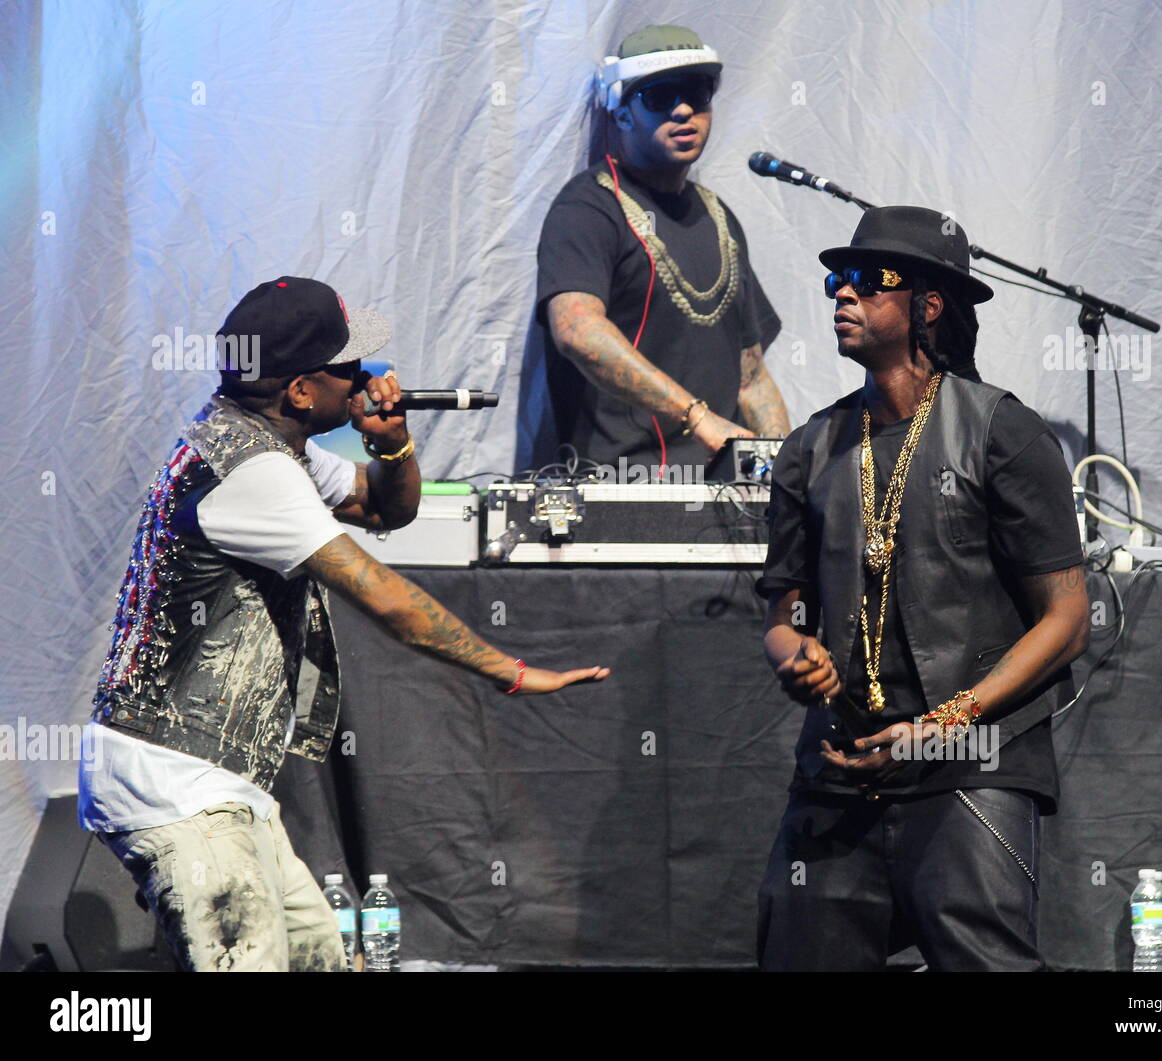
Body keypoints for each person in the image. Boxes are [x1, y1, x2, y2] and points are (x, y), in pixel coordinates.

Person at [79, 277, 609, 971]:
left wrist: (392, 447)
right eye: (348, 368)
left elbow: (385, 509)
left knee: (319, 959)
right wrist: (511, 671)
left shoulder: (265, 440)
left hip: (216, 781)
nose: (367, 378)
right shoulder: (253, 472)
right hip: (175, 783)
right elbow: (390, 601)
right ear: (301, 391)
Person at [754, 207, 1090, 971]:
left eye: (869, 281)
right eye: (836, 279)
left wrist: (944, 723)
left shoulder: (1002, 431)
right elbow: (782, 614)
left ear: (929, 304)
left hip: (969, 761)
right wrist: (794, 652)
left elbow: (1067, 620)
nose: (842, 294)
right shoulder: (810, 446)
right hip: (842, 765)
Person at [535, 24, 789, 480]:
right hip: (615, 485)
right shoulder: (588, 207)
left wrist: (784, 472)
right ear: (621, 111)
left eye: (698, 92)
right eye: (659, 97)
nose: (684, 110)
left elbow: (750, 379)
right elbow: (576, 328)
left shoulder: (719, 217)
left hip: (722, 493)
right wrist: (697, 416)